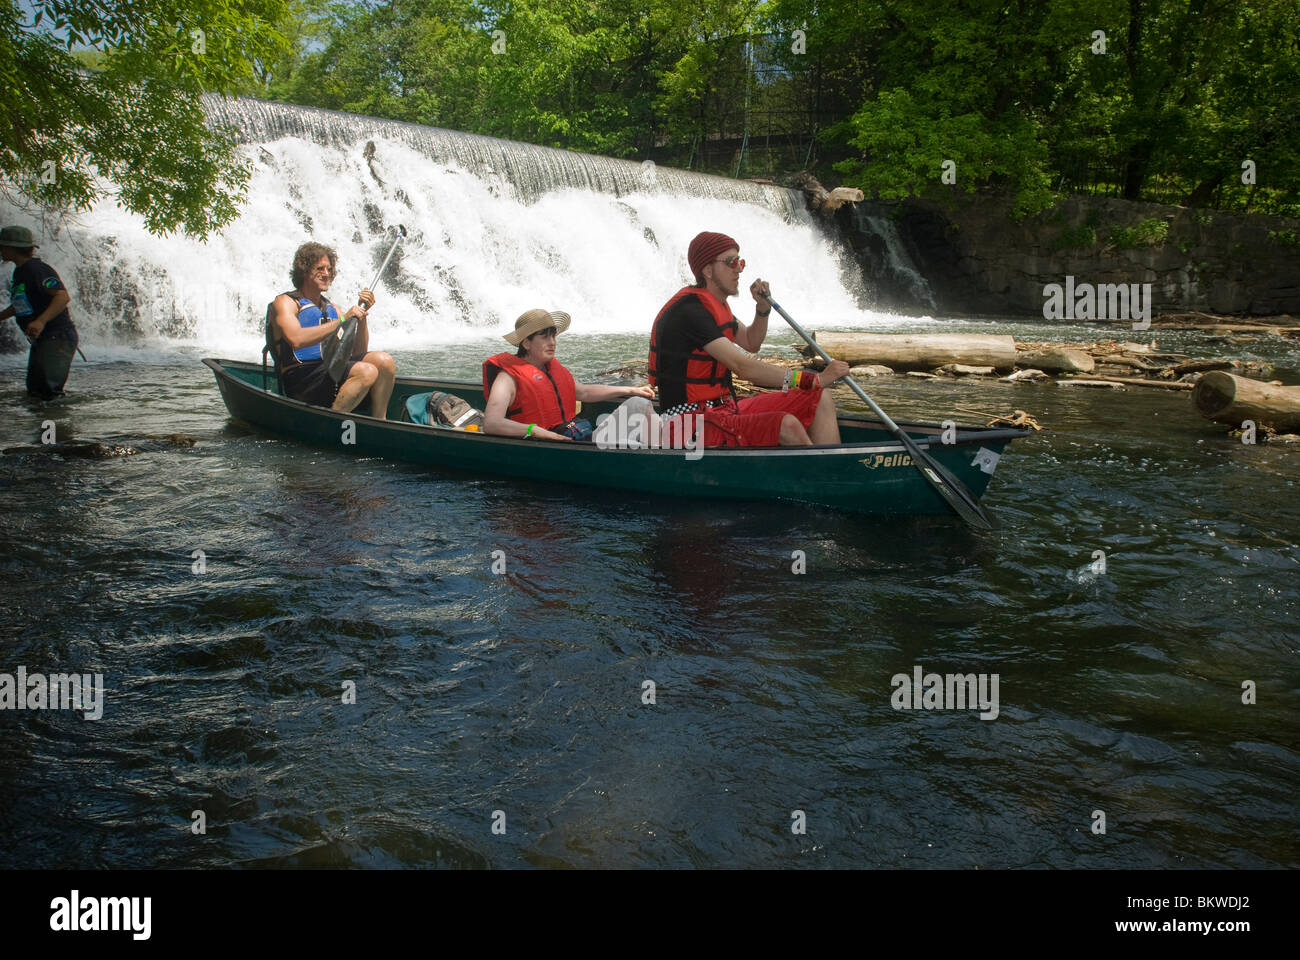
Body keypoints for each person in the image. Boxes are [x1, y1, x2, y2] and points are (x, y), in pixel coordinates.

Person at [648, 231, 850, 447]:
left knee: (819, 397)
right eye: (731, 262)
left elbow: (751, 342)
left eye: (740, 262)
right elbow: (743, 367)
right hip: (687, 423)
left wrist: (762, 309)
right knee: (786, 424)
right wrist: (812, 379)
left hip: (723, 410)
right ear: (707, 270)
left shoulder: (715, 307)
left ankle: (831, 472)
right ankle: (823, 477)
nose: (739, 269)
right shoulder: (690, 313)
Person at [483, 308, 654, 441]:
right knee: (632, 445)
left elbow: (584, 392)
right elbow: (491, 424)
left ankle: (667, 449)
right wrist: (534, 430)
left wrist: (630, 390)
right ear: (526, 343)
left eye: (553, 337)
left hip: (580, 437)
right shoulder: (506, 379)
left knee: (639, 403)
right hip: (550, 446)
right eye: (544, 338)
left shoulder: (550, 367)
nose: (552, 343)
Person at [268, 242, 396, 418]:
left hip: (328, 372)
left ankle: (380, 421)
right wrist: (343, 319)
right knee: (366, 371)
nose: (326, 274)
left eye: (329, 269)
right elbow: (296, 339)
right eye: (320, 268)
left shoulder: (333, 308)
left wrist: (362, 317)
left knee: (384, 361)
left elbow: (358, 352)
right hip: (300, 378)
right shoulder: (286, 302)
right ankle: (332, 422)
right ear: (304, 270)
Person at [0, 225, 79, 400]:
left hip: (57, 338)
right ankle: (45, 425)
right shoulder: (21, 271)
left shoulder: (38, 270)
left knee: (49, 394)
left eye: (3, 246)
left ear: (13, 248)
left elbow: (62, 296)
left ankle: (56, 426)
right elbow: (21, 304)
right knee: (36, 393)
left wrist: (40, 321)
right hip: (46, 339)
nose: (1, 250)